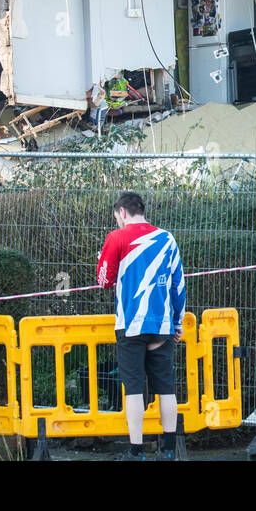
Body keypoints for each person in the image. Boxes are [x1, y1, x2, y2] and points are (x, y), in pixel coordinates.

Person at [95, 191, 186, 460]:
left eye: (117, 218)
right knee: (166, 388)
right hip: (162, 325)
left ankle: (136, 451)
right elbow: (178, 285)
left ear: (122, 212)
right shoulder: (167, 238)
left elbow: (104, 280)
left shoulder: (117, 237)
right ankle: (168, 451)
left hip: (130, 326)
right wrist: (177, 322)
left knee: (133, 389)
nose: (117, 222)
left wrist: (104, 261)